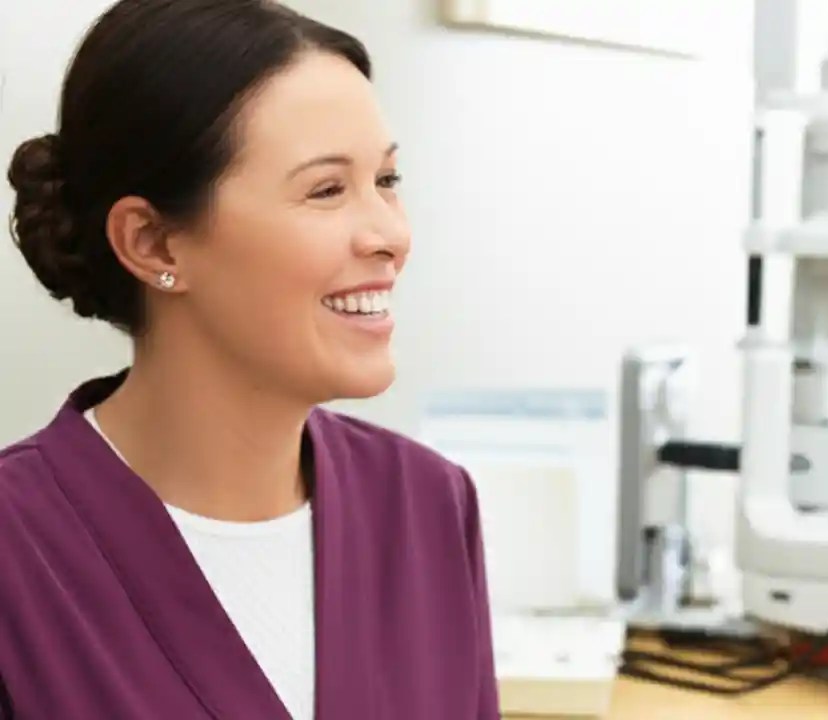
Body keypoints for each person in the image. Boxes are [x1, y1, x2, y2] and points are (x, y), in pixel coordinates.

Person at [0, 0, 499, 717]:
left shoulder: (429, 508)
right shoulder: (19, 554)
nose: (390, 234)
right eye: (327, 190)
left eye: (387, 181)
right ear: (154, 244)